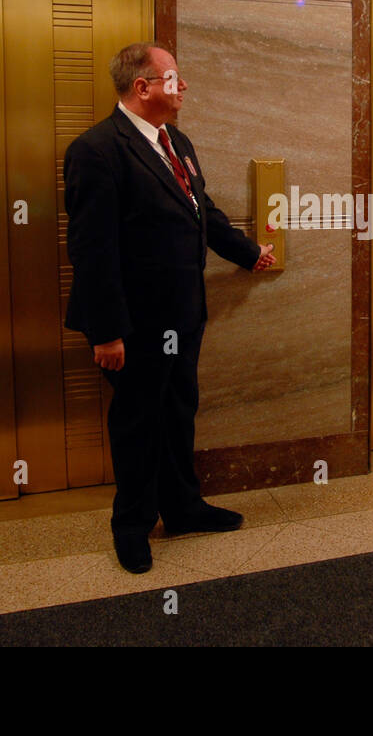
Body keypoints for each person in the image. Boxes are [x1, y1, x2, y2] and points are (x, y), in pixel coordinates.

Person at [63, 41, 276, 573]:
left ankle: (182, 507)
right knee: (138, 421)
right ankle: (131, 526)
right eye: (174, 78)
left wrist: (249, 252)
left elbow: (203, 210)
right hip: (134, 324)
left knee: (180, 409)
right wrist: (106, 331)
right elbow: (92, 249)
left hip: (184, 316)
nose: (183, 88)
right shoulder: (97, 150)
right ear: (144, 87)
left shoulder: (175, 141)